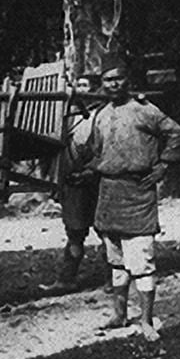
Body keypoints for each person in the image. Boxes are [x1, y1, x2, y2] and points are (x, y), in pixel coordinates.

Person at [81, 54, 180, 340]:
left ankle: (147, 321)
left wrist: (163, 165)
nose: (113, 84)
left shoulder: (146, 110)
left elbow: (178, 135)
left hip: (138, 193)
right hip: (109, 194)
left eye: (118, 78)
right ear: (101, 83)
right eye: (107, 80)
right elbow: (97, 153)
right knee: (115, 261)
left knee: (141, 262)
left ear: (128, 80)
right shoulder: (100, 115)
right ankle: (119, 314)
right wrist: (85, 171)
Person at [39, 72, 111, 294]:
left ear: (96, 89)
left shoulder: (105, 113)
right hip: (72, 180)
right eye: (77, 85)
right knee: (75, 232)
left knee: (106, 231)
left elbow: (108, 149)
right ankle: (67, 279)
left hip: (99, 180)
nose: (80, 89)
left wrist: (91, 171)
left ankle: (114, 279)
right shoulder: (67, 114)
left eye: (85, 85)